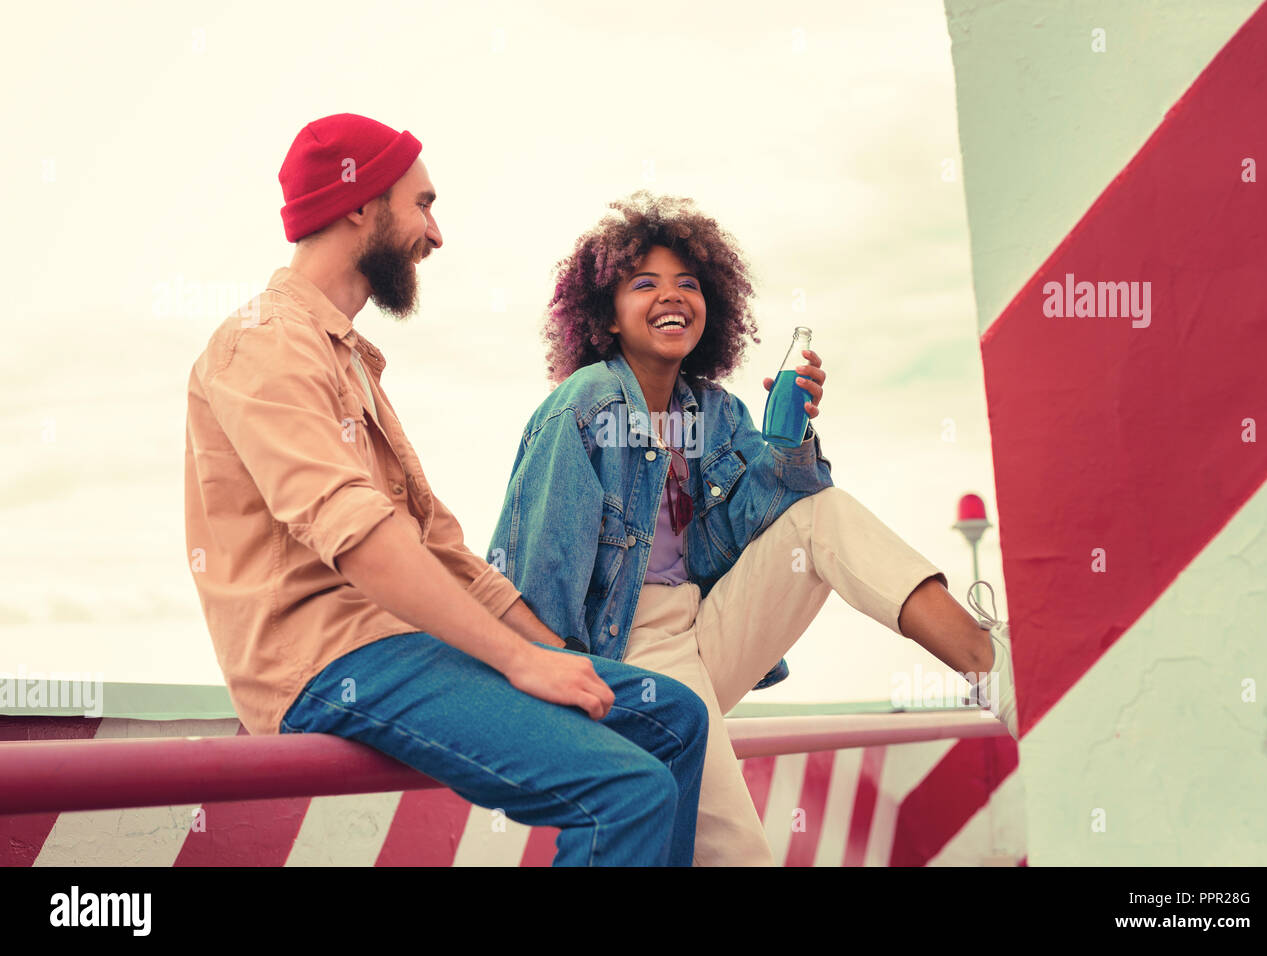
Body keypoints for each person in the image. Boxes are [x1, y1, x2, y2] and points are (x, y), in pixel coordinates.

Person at [183, 115, 709, 866]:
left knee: (676, 718)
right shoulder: (262, 343)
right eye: (423, 204)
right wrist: (518, 662)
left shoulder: (349, 358)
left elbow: (441, 550)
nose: (436, 235)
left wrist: (556, 652)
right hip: (330, 662)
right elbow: (358, 535)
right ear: (360, 203)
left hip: (405, 644)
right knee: (625, 790)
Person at [487, 190, 1019, 866]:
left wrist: (793, 438)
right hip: (621, 655)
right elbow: (536, 575)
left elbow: (792, 507)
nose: (671, 296)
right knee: (738, 852)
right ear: (607, 316)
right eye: (644, 283)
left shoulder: (713, 411)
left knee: (823, 516)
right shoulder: (585, 407)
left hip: (706, 632)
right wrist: (571, 703)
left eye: (688, 282)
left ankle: (992, 668)